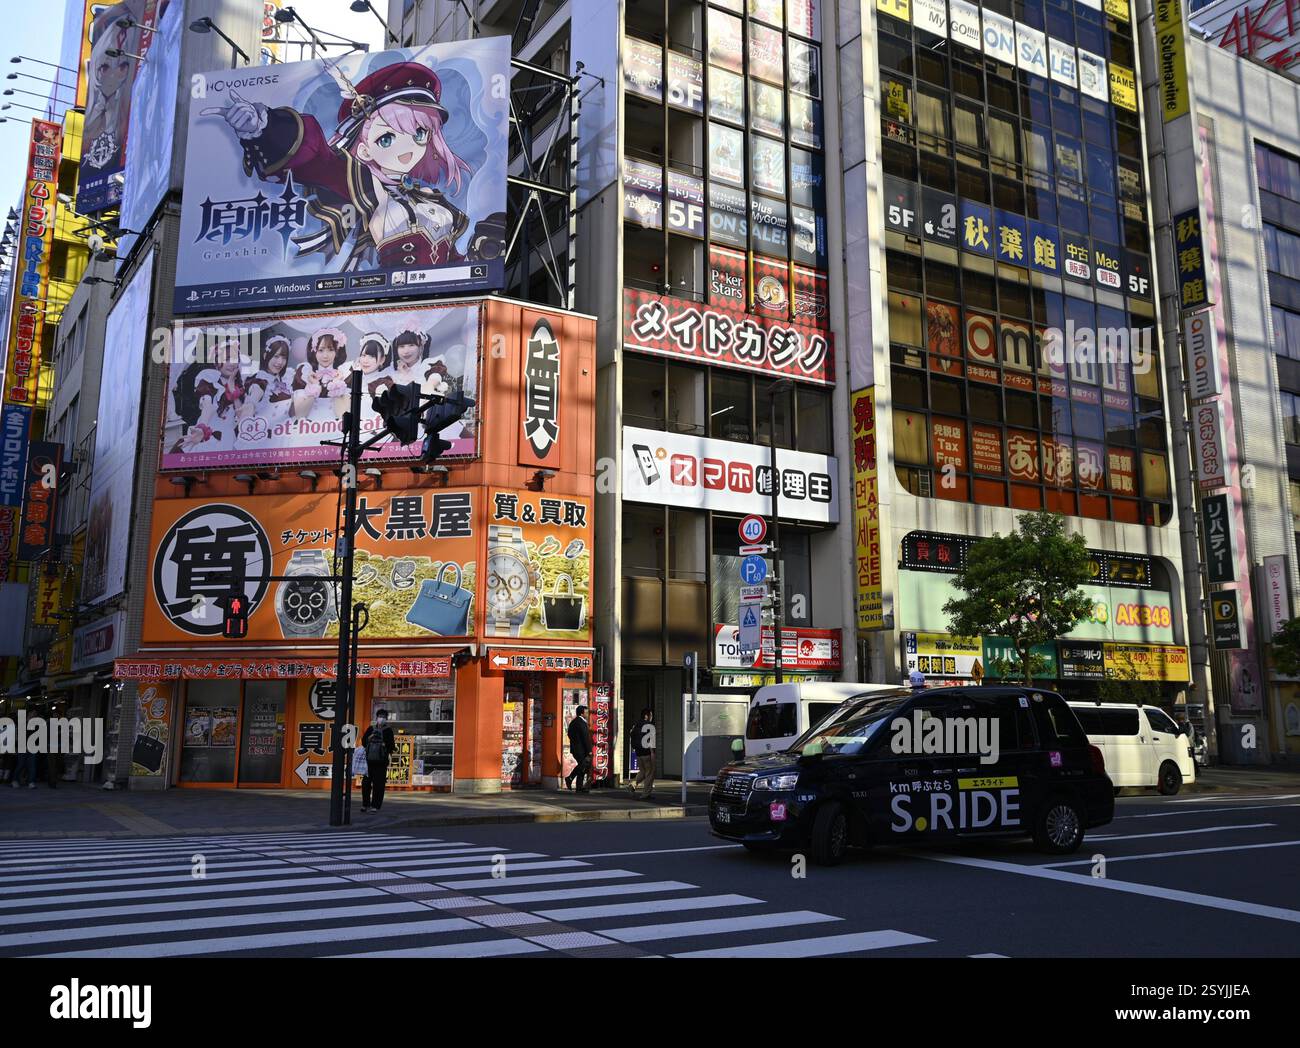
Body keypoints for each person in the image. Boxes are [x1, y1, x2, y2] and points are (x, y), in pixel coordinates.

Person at [360, 709, 395, 813]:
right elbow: (363, 742)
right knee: (366, 783)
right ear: (376, 717)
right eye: (380, 716)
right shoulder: (371, 728)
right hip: (369, 761)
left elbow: (391, 746)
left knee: (378, 784)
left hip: (381, 761)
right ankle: (365, 804)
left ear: (386, 719)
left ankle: (375, 806)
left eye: (383, 716)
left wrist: (384, 744)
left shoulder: (388, 730)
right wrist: (371, 737)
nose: (381, 718)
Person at [631, 708, 657, 801]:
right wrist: (653, 753)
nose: (651, 717)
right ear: (646, 716)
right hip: (647, 752)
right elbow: (652, 741)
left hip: (638, 753)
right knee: (650, 773)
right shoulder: (649, 726)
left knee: (642, 771)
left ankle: (633, 783)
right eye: (651, 715)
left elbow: (632, 736)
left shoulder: (636, 725)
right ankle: (645, 794)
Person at [565, 705, 592, 792]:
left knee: (583, 766)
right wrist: (589, 750)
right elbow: (585, 738)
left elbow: (569, 734)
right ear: (582, 713)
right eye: (586, 712)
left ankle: (579, 787)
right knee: (583, 765)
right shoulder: (582, 723)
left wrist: (574, 741)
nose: (588, 714)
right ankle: (570, 778)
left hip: (575, 748)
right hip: (581, 749)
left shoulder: (573, 722)